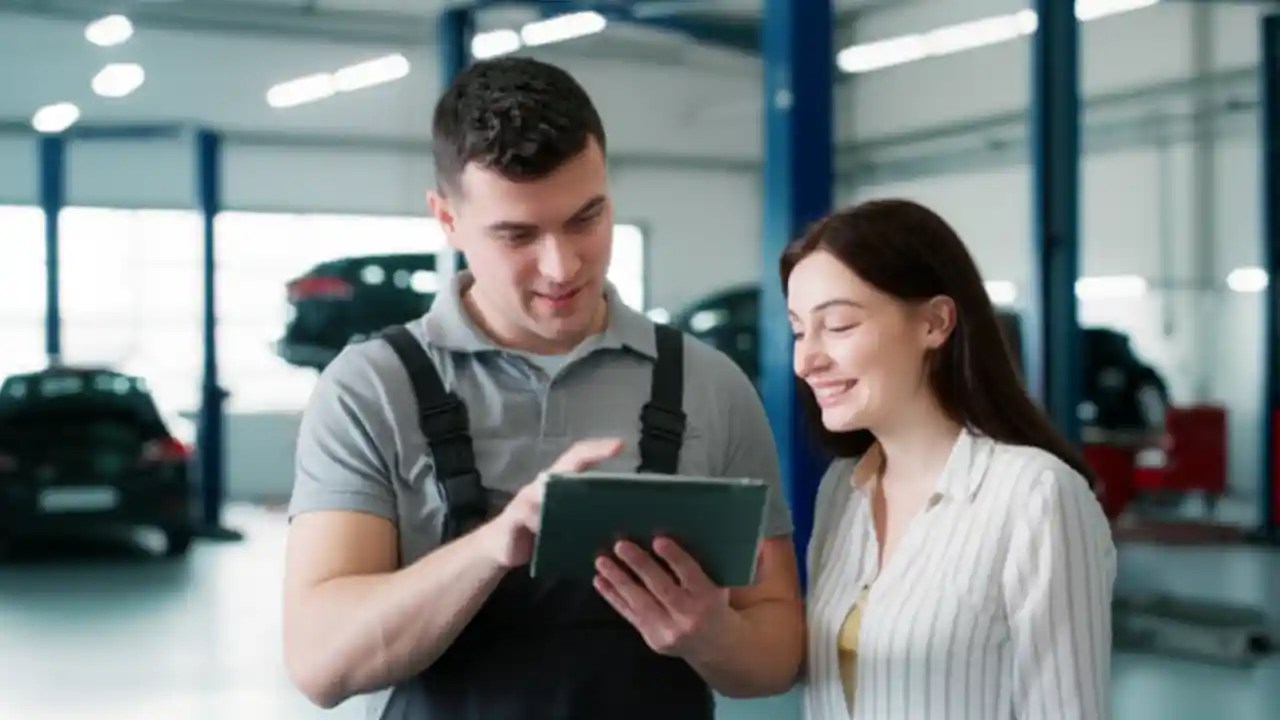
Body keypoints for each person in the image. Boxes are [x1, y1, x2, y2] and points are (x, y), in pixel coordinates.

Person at [280, 56, 804, 720]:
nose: (562, 266)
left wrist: (712, 634)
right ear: (447, 219)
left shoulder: (709, 385)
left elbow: (779, 652)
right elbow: (321, 664)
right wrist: (494, 546)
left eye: (586, 219)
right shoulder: (370, 391)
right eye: (518, 235)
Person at [784, 199, 1116, 719]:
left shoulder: (1036, 496)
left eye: (840, 325)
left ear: (935, 323)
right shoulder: (842, 490)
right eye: (798, 331)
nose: (806, 360)